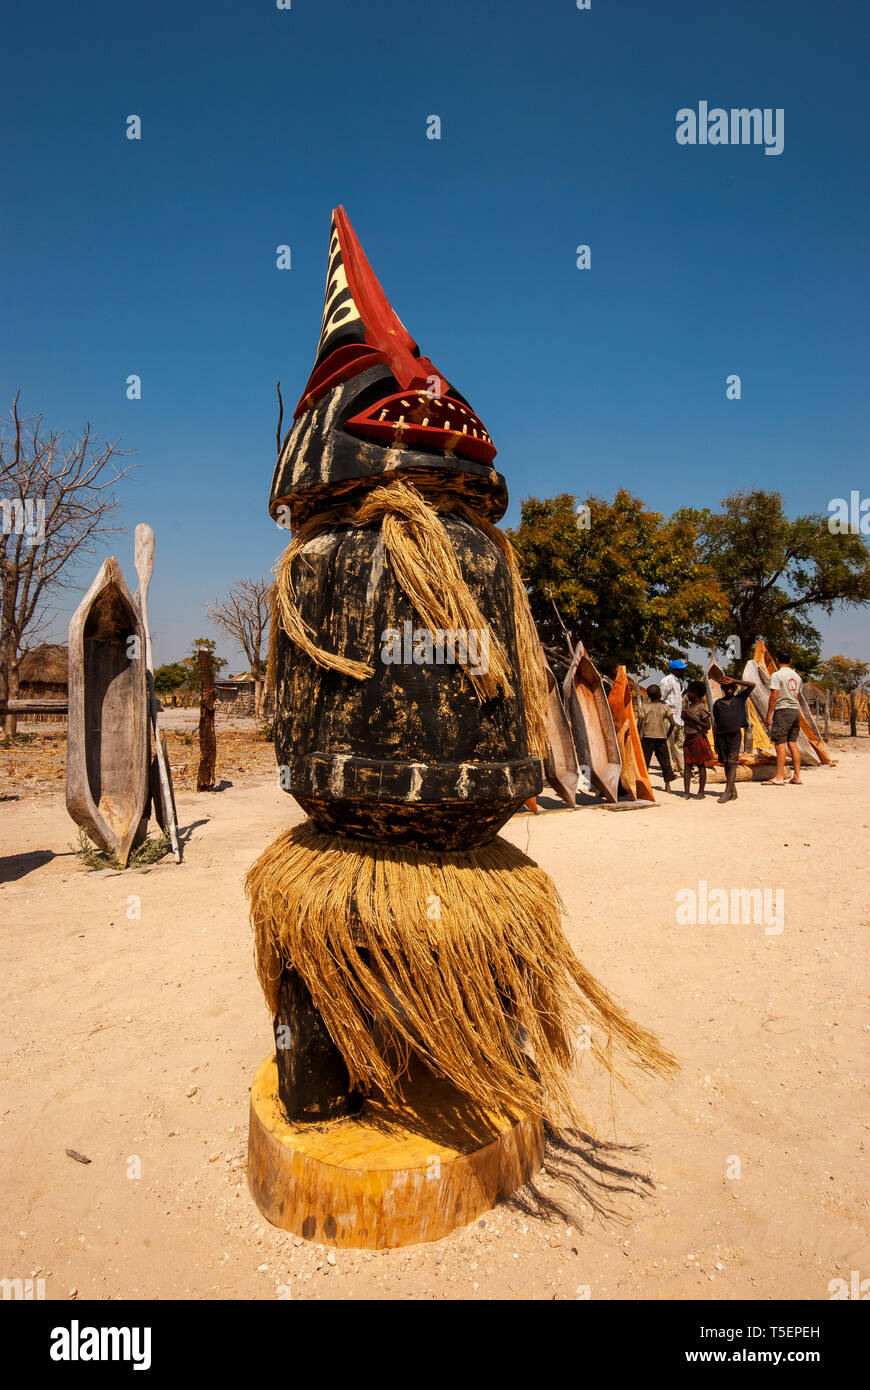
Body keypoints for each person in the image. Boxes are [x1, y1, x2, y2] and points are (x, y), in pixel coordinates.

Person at [711, 674, 756, 804]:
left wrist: (735, 680)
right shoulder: (718, 704)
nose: (729, 689)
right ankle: (733, 790)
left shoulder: (740, 698)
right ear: (723, 689)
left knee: (732, 762)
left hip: (735, 735)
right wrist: (715, 742)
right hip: (721, 736)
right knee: (726, 763)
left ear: (735, 687)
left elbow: (752, 685)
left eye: (731, 687)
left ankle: (726, 792)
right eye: (726, 687)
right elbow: (715, 723)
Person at [763, 650, 803, 787]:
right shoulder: (797, 677)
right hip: (794, 711)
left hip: (782, 711)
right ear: (790, 661)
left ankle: (779, 777)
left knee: (780, 745)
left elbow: (774, 695)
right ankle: (797, 776)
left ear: (777, 660)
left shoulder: (777, 675)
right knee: (792, 743)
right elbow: (797, 696)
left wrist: (769, 715)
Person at [681, 681, 717, 798]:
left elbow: (707, 726)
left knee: (700, 765)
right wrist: (685, 718)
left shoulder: (701, 708)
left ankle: (701, 792)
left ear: (695, 693)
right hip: (689, 737)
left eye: (689, 692)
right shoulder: (690, 706)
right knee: (687, 765)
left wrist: (692, 718)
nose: (688, 694)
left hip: (697, 737)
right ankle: (686, 792)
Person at [639, 684, 674, 792]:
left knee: (644, 762)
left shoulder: (644, 707)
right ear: (660, 695)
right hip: (661, 737)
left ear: (648, 695)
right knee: (665, 762)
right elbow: (672, 723)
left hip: (647, 737)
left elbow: (640, 723)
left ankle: (644, 785)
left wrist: (638, 736)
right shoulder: (665, 707)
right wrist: (667, 735)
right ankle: (667, 785)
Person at [660, 660, 687, 775]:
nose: (683, 671)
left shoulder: (678, 682)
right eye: (681, 669)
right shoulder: (667, 681)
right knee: (669, 745)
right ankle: (670, 770)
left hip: (678, 719)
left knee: (679, 745)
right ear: (675, 670)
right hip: (669, 718)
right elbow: (661, 699)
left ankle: (683, 769)